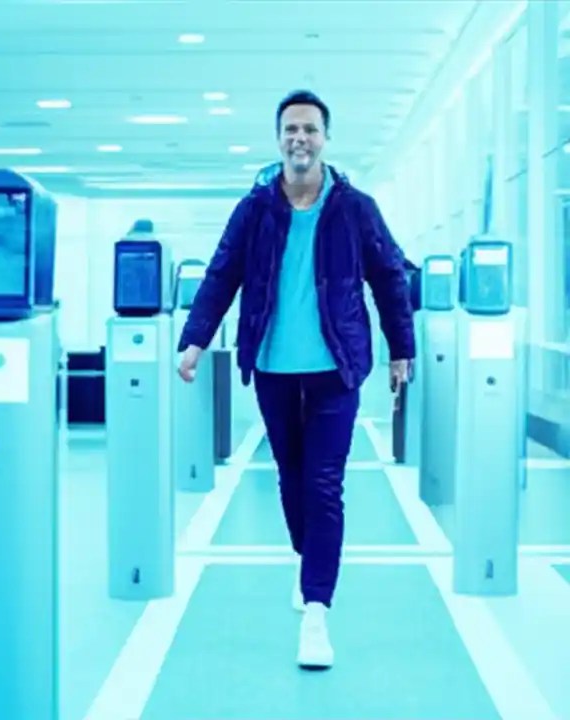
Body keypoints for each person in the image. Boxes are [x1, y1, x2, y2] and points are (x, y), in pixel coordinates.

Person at [175, 90, 415, 670]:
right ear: (279, 139)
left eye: (309, 129)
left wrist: (401, 350)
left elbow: (389, 277)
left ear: (325, 139)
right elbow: (222, 274)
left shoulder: (355, 208)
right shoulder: (255, 209)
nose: (299, 138)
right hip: (274, 368)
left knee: (324, 483)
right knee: (291, 476)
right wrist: (195, 338)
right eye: (290, 129)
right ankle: (310, 561)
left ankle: (316, 610)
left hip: (337, 368)